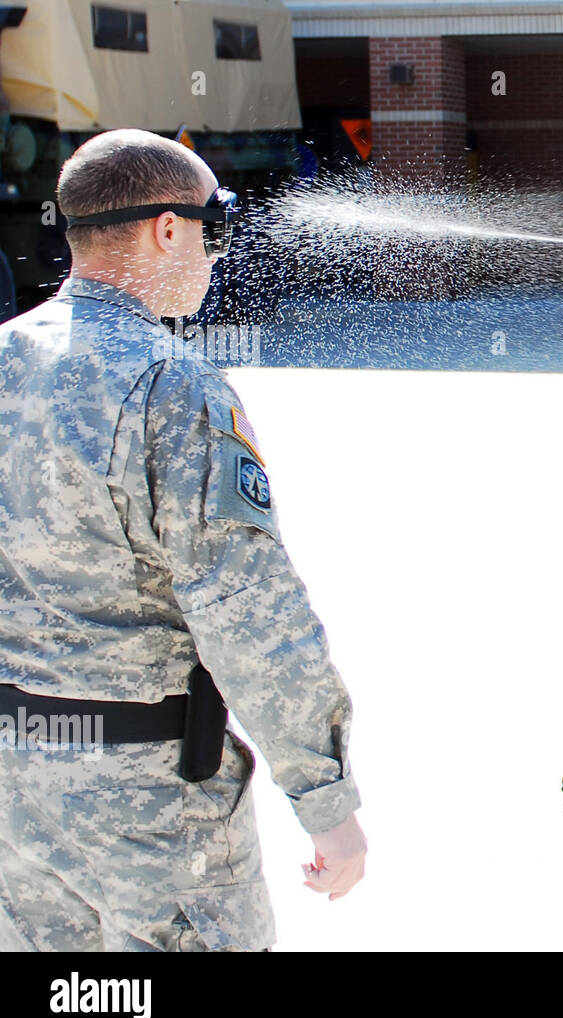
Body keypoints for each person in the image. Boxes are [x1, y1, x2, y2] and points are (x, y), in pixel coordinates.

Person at [0, 129, 366, 952]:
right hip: (147, 806)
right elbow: (247, 613)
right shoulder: (172, 386)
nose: (214, 255)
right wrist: (325, 800)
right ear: (168, 229)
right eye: (213, 229)